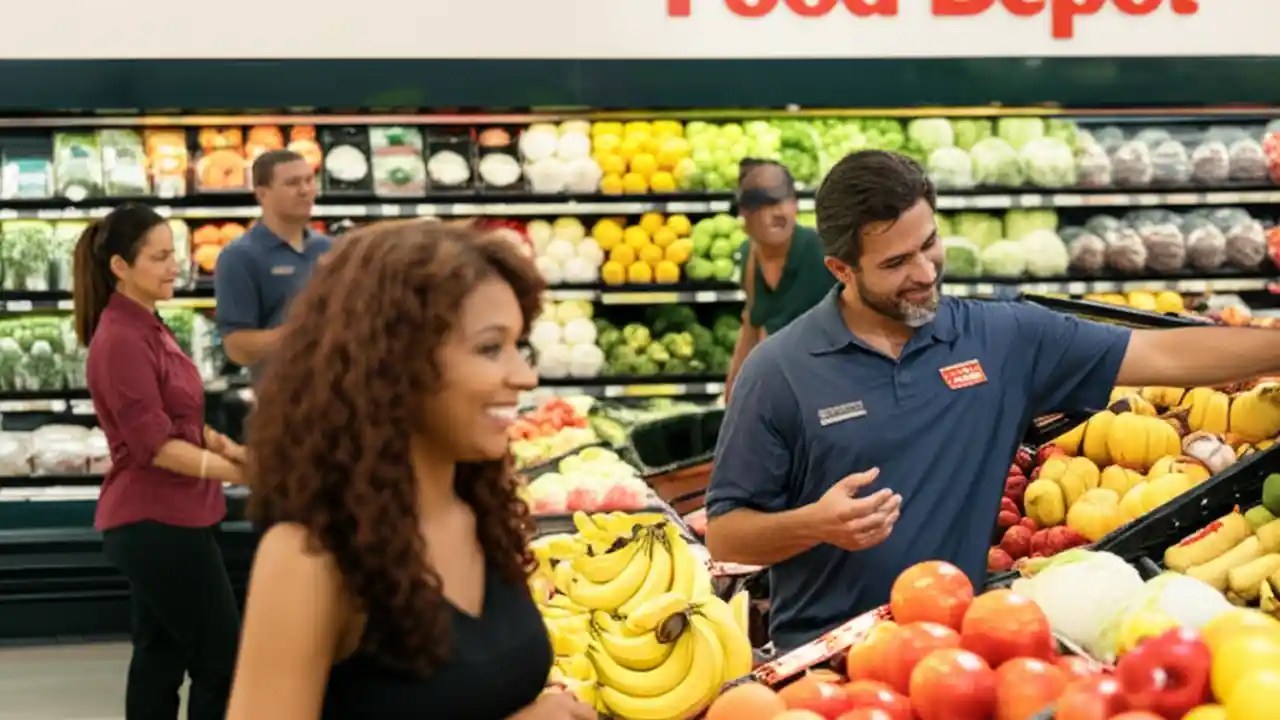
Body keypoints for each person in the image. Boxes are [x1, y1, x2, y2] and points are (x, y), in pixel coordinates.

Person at [704, 150, 1280, 651]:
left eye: (929, 243)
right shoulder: (779, 371)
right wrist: (816, 524)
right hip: (829, 657)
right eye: (896, 263)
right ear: (840, 269)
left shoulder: (1003, 340)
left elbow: (1167, 358)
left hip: (962, 649)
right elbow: (728, 534)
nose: (925, 271)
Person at [225, 221, 596, 720]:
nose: (524, 376)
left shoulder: (482, 517)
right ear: (396, 363)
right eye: (490, 348)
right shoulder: (310, 559)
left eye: (518, 346)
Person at [73, 203, 247, 720]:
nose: (176, 266)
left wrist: (228, 448)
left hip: (174, 518)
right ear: (120, 267)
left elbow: (179, 420)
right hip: (156, 522)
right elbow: (156, 447)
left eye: (177, 255)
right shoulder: (121, 340)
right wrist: (245, 474)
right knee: (222, 660)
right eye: (160, 257)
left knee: (160, 656)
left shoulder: (150, 325)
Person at [724, 160, 836, 401]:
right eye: (761, 206)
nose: (774, 214)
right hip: (782, 392)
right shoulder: (749, 256)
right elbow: (752, 324)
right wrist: (732, 391)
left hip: (827, 388)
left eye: (781, 202)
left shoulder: (820, 253)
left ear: (795, 205)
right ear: (744, 215)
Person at [214, 149, 332, 380]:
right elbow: (237, 347)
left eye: (309, 180)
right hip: (282, 400)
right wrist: (302, 335)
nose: (305, 190)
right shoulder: (239, 257)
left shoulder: (332, 250)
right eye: (292, 183)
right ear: (262, 194)